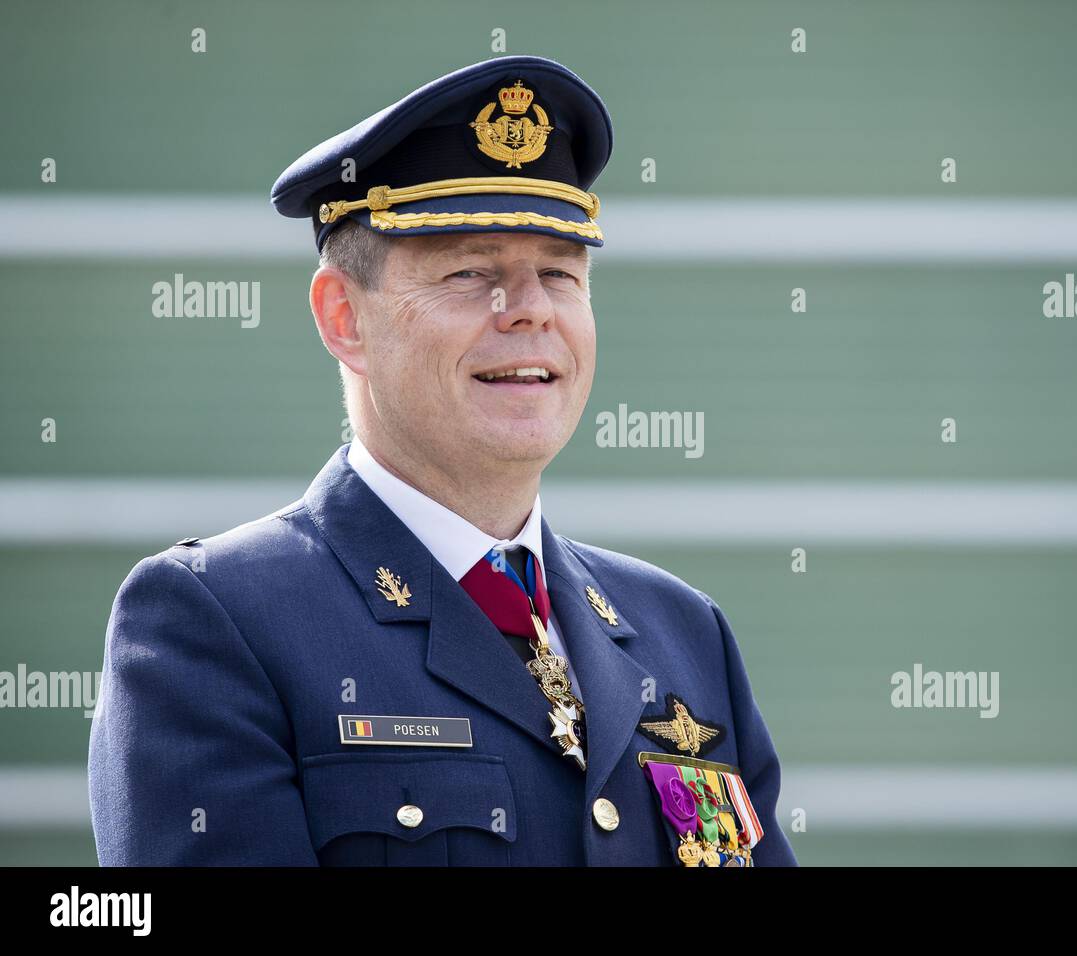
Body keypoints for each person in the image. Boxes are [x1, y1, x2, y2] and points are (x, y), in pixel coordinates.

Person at [88, 55, 797, 867]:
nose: (528, 310)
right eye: (472, 273)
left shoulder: (684, 634)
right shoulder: (218, 623)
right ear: (343, 317)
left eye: (560, 275)